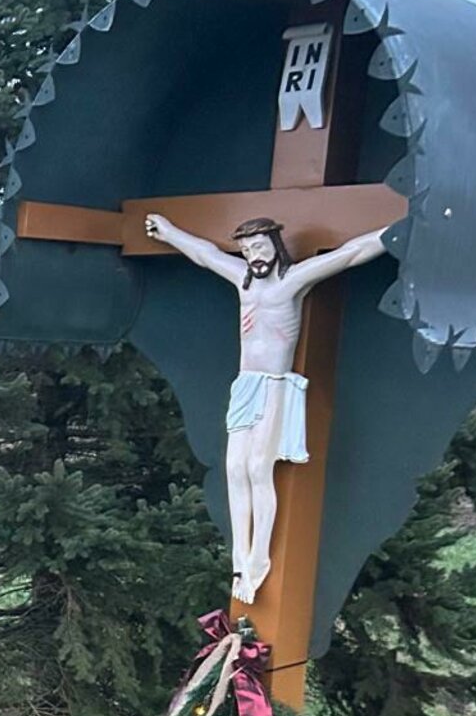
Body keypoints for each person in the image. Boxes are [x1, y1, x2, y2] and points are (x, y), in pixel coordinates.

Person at [141, 211, 391, 602]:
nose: (252, 254)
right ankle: (240, 560)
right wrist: (170, 232)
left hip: (275, 385)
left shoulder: (292, 282)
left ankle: (260, 558)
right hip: (246, 385)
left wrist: (395, 231)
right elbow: (205, 254)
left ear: (275, 245)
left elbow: (350, 253)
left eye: (259, 246)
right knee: (234, 469)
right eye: (245, 248)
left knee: (259, 468)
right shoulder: (243, 282)